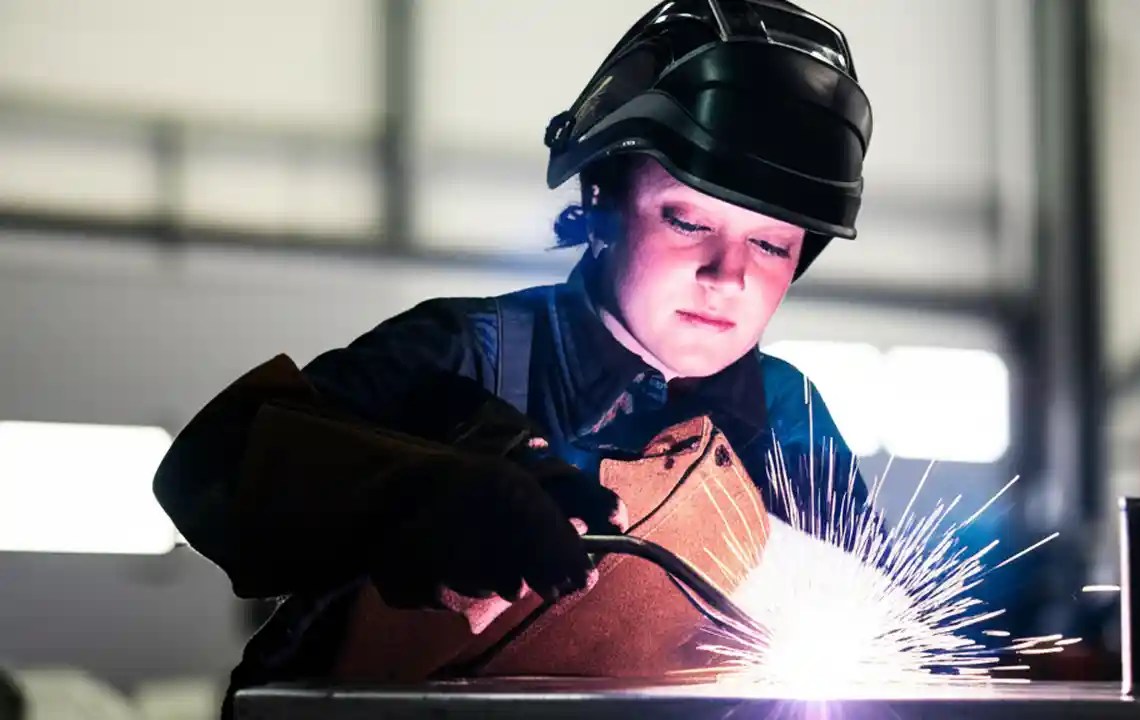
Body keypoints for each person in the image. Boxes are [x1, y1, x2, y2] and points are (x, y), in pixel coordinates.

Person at [153, 0, 873, 711]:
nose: (728, 275)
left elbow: (875, 622)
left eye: (771, 245)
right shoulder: (472, 353)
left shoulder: (784, 412)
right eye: (688, 221)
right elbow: (207, 474)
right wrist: (420, 494)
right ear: (603, 201)